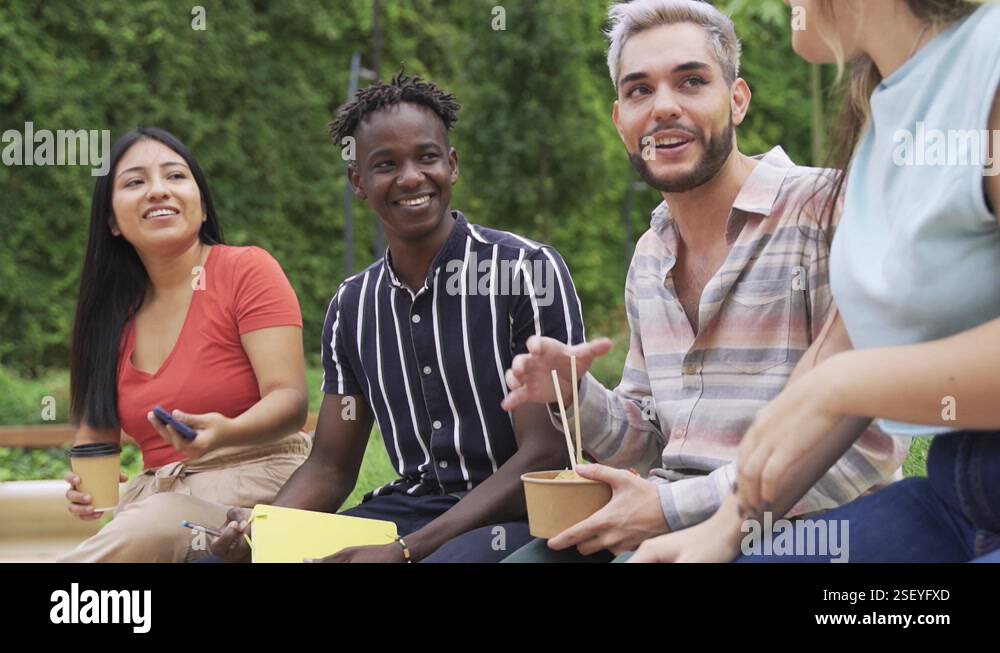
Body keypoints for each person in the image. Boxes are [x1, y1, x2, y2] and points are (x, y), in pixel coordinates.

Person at [500, 0, 908, 563]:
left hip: (807, 529)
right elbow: (643, 444)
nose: (664, 107)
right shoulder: (649, 255)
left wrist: (671, 509)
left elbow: (868, 444)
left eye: (691, 81)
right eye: (639, 90)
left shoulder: (827, 210)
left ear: (737, 101)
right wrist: (573, 394)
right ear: (620, 119)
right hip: (664, 520)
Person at [630, 0, 1000, 563]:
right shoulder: (885, 112)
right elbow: (843, 347)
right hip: (957, 498)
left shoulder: (988, 61)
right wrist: (724, 531)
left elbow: (840, 380)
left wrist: (846, 385)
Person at [208, 73, 583, 563]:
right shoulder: (352, 306)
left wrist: (408, 551)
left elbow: (546, 455)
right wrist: (263, 532)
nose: (410, 177)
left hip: (521, 516)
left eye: (427, 157)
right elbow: (330, 466)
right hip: (411, 509)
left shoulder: (525, 271)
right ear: (358, 182)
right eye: (385, 164)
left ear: (452, 165)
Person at [59, 127, 310, 562]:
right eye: (135, 182)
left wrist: (225, 432)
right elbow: (95, 429)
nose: (158, 191)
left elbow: (290, 401)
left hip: (261, 483)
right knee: (153, 519)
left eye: (175, 176)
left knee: (157, 520)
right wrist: (89, 486)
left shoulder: (246, 270)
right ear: (112, 222)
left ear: (202, 203)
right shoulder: (111, 316)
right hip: (157, 499)